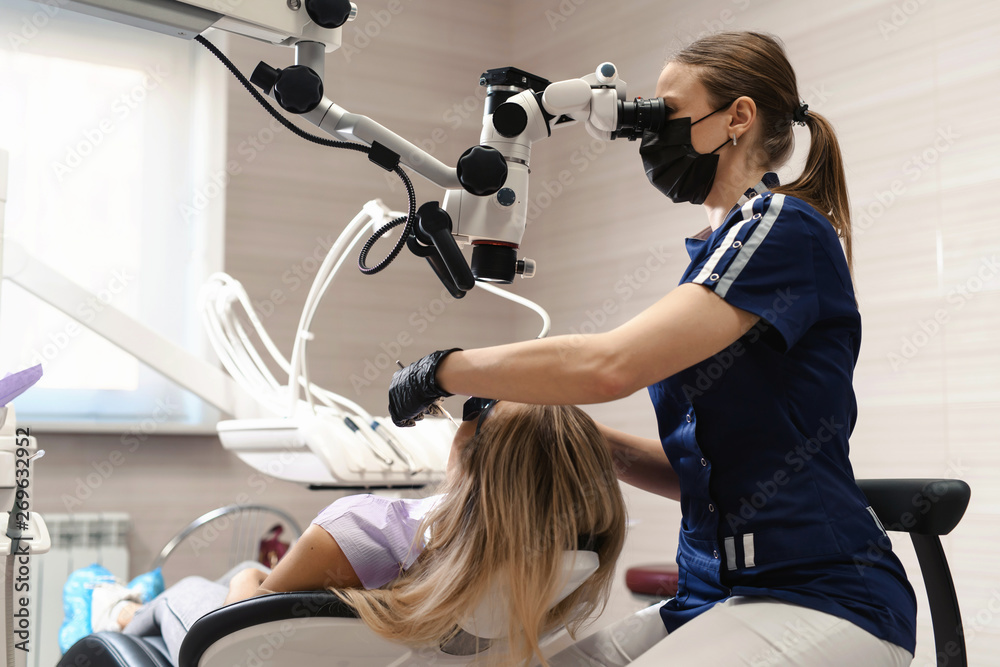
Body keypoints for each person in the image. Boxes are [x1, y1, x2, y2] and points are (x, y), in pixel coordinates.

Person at [389, 31, 918, 666]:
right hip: (711, 595)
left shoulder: (781, 228)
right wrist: (581, 438)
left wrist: (443, 371)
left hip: (821, 596)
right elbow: (710, 471)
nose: (652, 134)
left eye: (667, 113)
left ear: (738, 117)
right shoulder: (718, 251)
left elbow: (609, 366)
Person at [62, 401, 627, 667]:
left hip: (229, 654)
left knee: (191, 591)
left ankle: (113, 611)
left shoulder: (363, 527)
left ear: (467, 450)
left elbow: (239, 633)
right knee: (243, 572)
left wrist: (251, 580)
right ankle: (135, 600)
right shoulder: (566, 564)